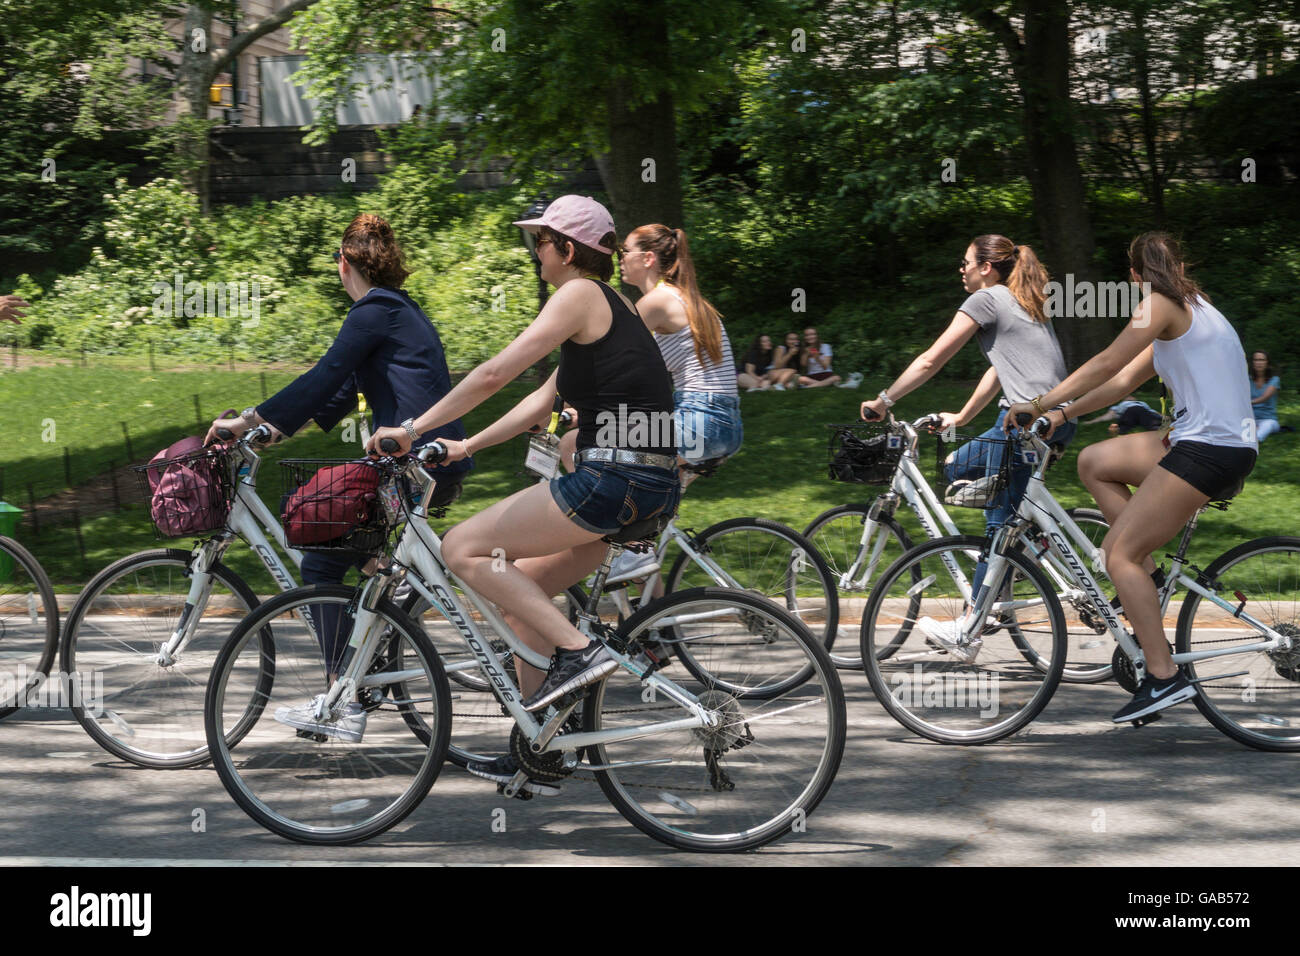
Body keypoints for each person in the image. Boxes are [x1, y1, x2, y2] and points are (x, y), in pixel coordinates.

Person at [366, 195, 681, 794]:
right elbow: (541, 401)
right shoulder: (610, 310)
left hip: (614, 479)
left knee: (462, 549)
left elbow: (495, 372)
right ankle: (540, 747)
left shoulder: (580, 295)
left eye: (538, 241)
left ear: (566, 248)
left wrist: (411, 429)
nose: (532, 252)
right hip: (646, 484)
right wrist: (466, 446)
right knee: (523, 591)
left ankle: (581, 651)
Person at [203, 214, 472, 737]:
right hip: (423, 459)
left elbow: (323, 373)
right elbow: (342, 390)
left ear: (343, 262)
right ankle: (360, 672)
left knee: (322, 564)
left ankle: (344, 698)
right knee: (358, 558)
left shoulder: (374, 311)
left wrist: (246, 421)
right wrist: (278, 431)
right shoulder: (395, 310)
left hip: (410, 462)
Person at [1004, 232, 1257, 724]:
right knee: (1094, 462)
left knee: (1117, 553)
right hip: (1204, 442)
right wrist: (1061, 415)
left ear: (1137, 275)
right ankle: (1149, 577)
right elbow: (1121, 383)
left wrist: (1037, 403)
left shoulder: (1161, 306)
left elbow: (1107, 361)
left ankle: (1164, 679)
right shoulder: (1192, 307)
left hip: (1209, 449)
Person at [860, 234, 1077, 624]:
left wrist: (884, 401)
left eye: (966, 263)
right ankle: (1019, 555)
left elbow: (931, 360)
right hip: (1056, 419)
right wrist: (961, 417)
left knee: (965, 479)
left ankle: (975, 621)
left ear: (986, 267)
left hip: (1023, 422)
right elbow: (1000, 368)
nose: (961, 270)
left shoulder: (985, 299)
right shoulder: (1024, 301)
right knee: (995, 501)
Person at [599, 223, 742, 582]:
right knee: (650, 508)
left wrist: (570, 406)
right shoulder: (685, 299)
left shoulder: (657, 301)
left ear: (647, 258)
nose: (620, 259)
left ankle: (633, 552)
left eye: (624, 251)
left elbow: (603, 359)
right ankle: (657, 622)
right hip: (716, 422)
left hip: (700, 420)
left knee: (590, 442)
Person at [1250, 351, 1281, 442]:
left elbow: (1265, 397)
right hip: (1251, 418)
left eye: (1262, 360)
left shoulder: (1275, 380)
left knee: (1267, 426)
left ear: (1267, 363)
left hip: (1269, 420)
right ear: (1253, 363)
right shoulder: (1248, 380)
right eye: (1256, 360)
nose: (1259, 362)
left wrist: (1248, 402)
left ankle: (1256, 439)